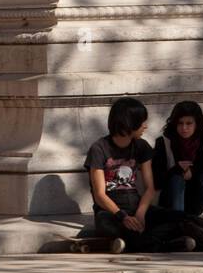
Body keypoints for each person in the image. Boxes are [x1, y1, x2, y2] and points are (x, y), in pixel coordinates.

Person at [84, 98, 195, 253]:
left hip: (137, 208)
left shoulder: (141, 147)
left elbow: (150, 188)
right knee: (112, 227)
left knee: (182, 218)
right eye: (142, 121)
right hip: (111, 213)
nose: (145, 126)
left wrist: (141, 214)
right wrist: (123, 217)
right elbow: (100, 195)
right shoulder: (99, 149)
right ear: (129, 123)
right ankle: (171, 244)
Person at [152, 101, 203, 222]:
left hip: (195, 201)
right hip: (171, 203)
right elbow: (157, 180)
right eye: (180, 123)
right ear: (174, 124)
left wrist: (192, 171)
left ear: (197, 124)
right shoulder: (164, 142)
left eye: (189, 123)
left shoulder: (202, 140)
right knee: (177, 179)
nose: (184, 128)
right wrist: (177, 170)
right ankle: (179, 229)